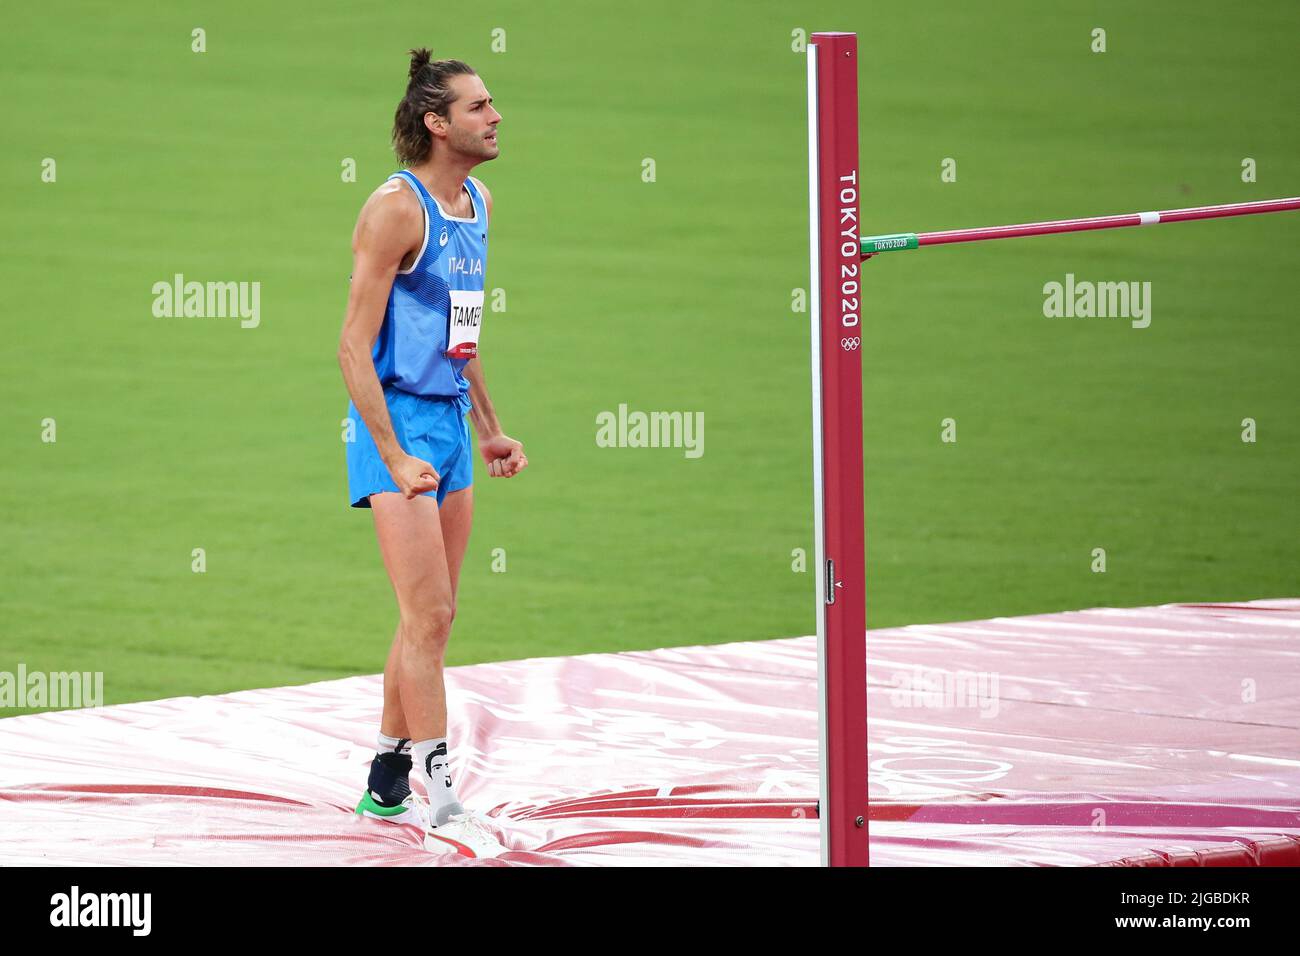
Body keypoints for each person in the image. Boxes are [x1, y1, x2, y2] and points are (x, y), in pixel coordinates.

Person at [337, 49, 526, 859]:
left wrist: (489, 426)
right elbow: (350, 347)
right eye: (479, 107)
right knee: (431, 615)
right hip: (397, 424)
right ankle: (442, 801)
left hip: (446, 421)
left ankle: (384, 779)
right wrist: (391, 454)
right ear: (436, 123)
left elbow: (462, 332)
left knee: (432, 620)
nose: (496, 117)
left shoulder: (477, 199)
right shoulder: (395, 210)